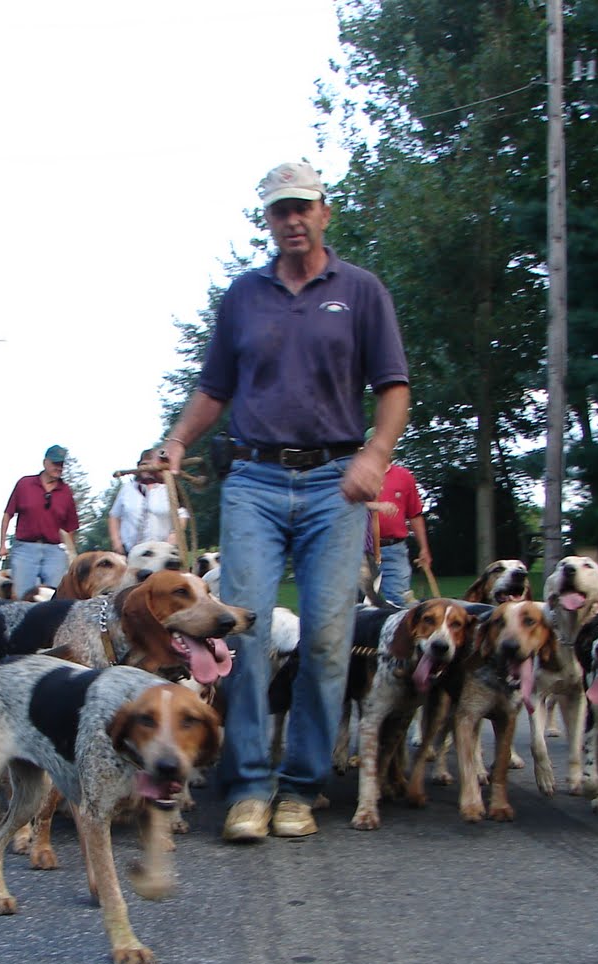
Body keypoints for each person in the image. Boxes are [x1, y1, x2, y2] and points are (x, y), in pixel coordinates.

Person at [158, 159, 411, 842]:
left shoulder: (361, 291)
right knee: (241, 629)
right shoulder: (244, 295)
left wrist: (374, 456)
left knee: (328, 638)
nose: (293, 220)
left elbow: (393, 388)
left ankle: (301, 786)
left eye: (303, 207)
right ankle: (247, 786)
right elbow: (213, 388)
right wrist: (176, 441)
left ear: (324, 211)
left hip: (336, 482)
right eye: (280, 210)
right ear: (267, 219)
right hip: (254, 480)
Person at [0, 444, 78, 598]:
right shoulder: (24, 484)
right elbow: (8, 514)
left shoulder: (66, 492)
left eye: (61, 464)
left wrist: (70, 555)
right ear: (45, 462)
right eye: (55, 463)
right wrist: (2, 545)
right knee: (23, 597)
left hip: (54, 551)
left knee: (55, 597)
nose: (58, 468)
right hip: (25, 549)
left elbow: (70, 528)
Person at [364, 430, 430, 604]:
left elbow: (415, 515)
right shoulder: (357, 477)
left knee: (400, 600)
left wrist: (424, 548)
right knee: (360, 603)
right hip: (362, 551)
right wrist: (376, 506)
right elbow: (346, 503)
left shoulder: (404, 477)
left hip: (394, 549)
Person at [108, 447, 177, 553]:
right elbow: (114, 516)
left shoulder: (168, 489)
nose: (147, 469)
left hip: (162, 551)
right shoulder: (127, 489)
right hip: (131, 551)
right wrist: (116, 542)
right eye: (144, 464)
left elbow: (181, 514)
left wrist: (174, 534)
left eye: (151, 465)